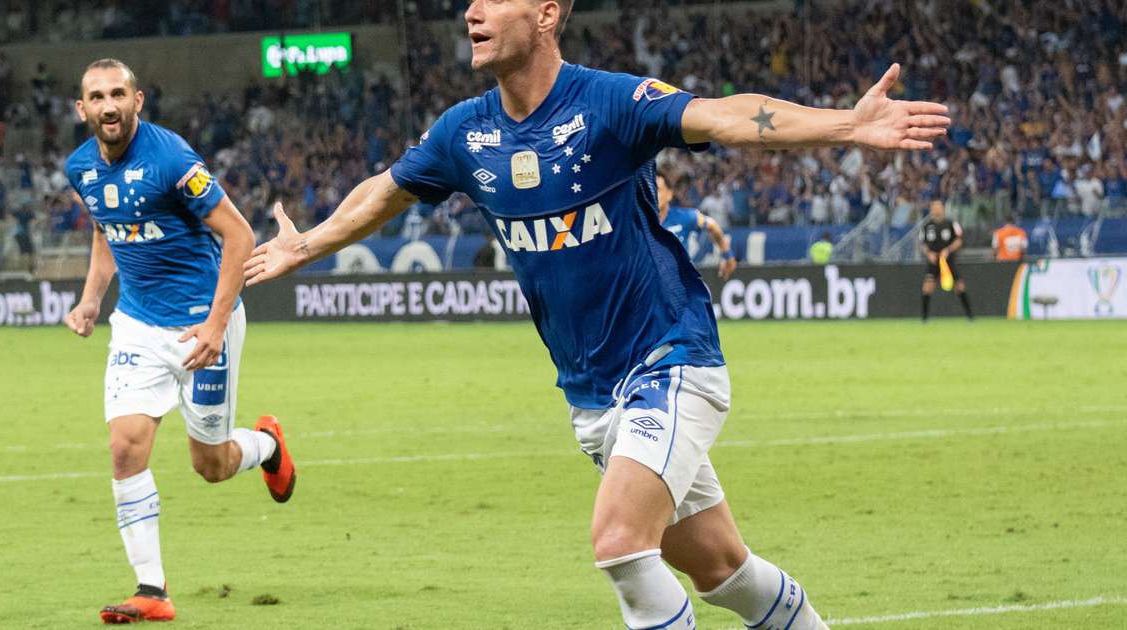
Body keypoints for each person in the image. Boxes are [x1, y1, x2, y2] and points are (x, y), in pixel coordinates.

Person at [244, 2, 949, 628]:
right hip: (591, 396)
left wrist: (846, 125)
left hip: (669, 361)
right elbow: (386, 192)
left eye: (493, 0)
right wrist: (305, 244)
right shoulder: (466, 134)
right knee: (722, 570)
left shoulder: (611, 104)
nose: (471, 12)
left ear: (547, 15)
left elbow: (728, 117)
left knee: (618, 542)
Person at [62, 59, 296, 625]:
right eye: (97, 97)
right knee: (124, 448)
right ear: (82, 108)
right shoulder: (79, 167)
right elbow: (103, 226)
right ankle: (152, 589)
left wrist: (216, 324)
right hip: (138, 325)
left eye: (118, 93)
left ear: (138, 100)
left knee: (210, 465)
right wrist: (94, 296)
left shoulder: (170, 159)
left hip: (200, 325)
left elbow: (239, 233)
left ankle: (266, 446)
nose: (109, 105)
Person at [656, 167, 735, 279]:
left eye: (657, 189)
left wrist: (728, 255)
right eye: (648, 189)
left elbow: (712, 225)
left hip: (679, 288)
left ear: (669, 194)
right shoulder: (638, 223)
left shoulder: (684, 217)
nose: (652, 194)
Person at [919, 199, 974, 321]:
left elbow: (959, 241)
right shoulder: (926, 226)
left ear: (942, 208)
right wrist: (929, 253)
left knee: (959, 287)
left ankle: (970, 316)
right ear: (931, 209)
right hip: (933, 262)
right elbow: (922, 244)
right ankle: (924, 319)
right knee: (927, 287)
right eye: (934, 207)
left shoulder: (951, 224)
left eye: (938, 207)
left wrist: (947, 250)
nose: (936, 209)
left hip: (948, 261)